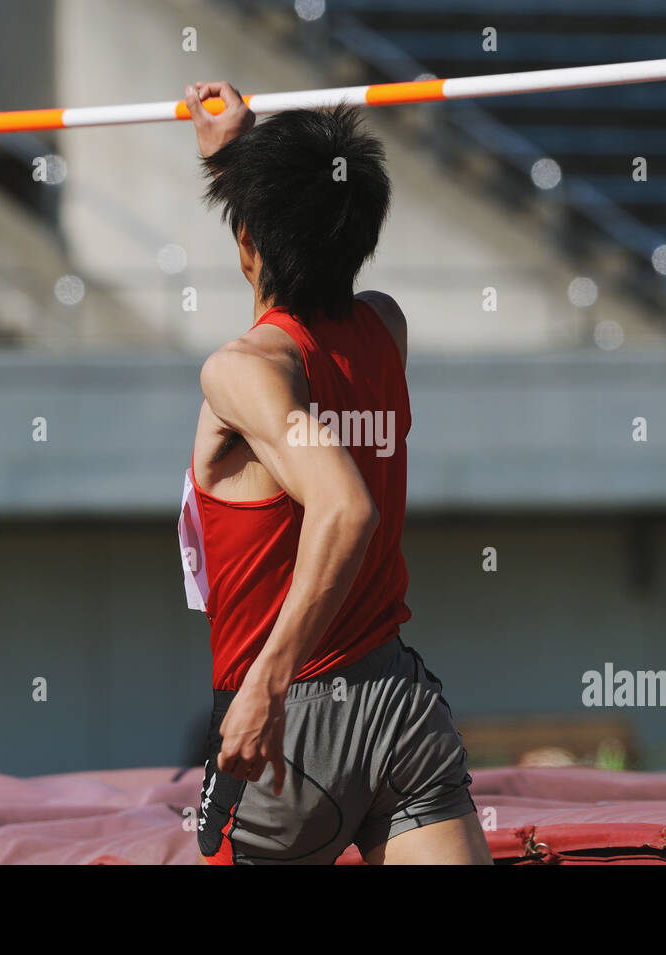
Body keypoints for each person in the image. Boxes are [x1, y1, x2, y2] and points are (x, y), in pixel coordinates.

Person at [177, 81, 492, 865]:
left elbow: (345, 510)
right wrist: (238, 164)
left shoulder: (240, 373)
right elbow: (300, 267)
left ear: (245, 238)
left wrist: (266, 686)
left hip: (289, 734)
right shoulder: (387, 326)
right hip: (397, 711)